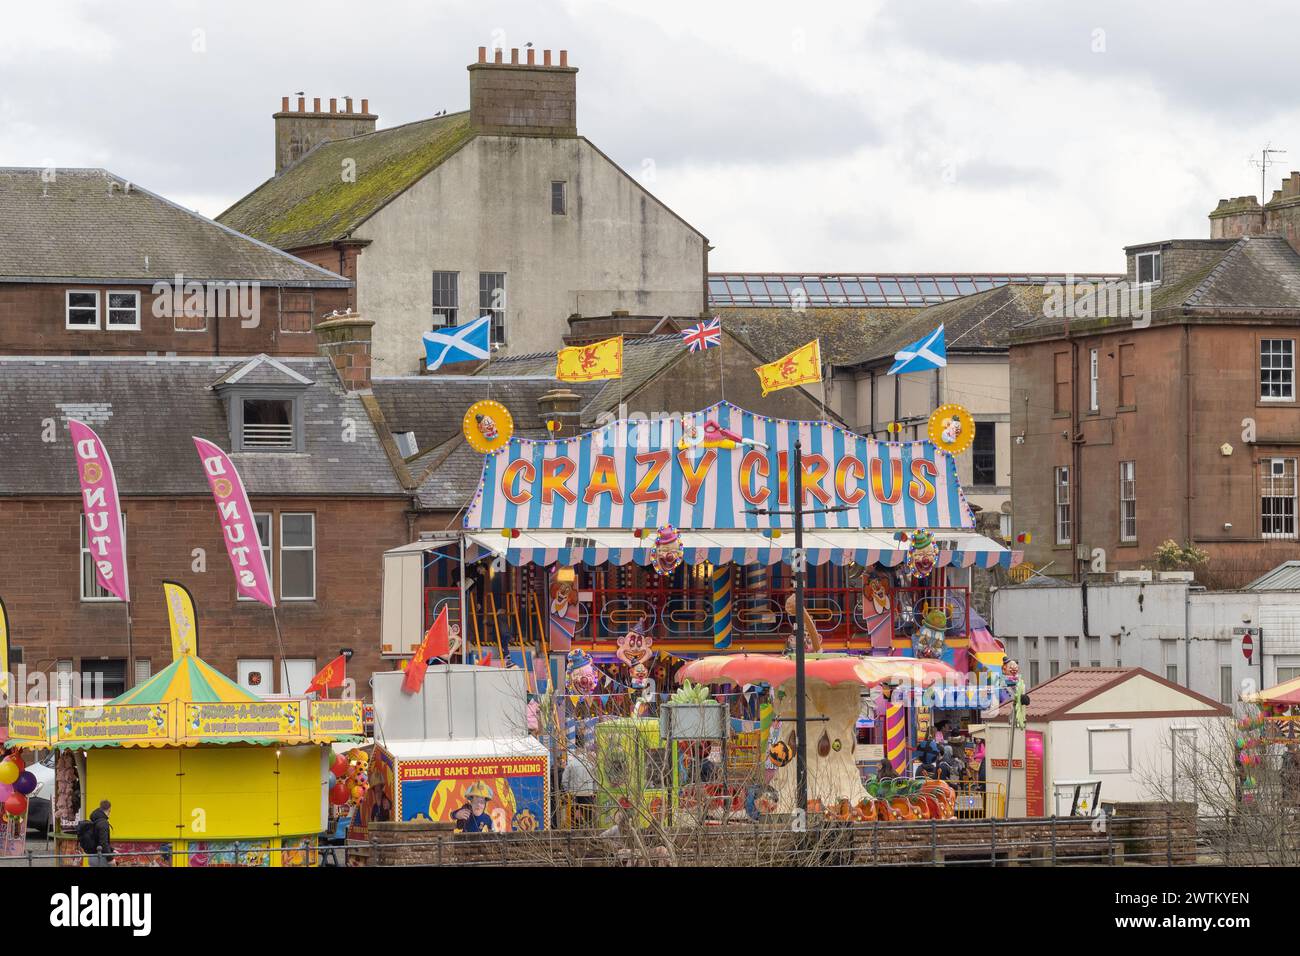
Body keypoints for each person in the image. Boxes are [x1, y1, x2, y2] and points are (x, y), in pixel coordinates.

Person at [562, 744, 598, 827]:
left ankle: (576, 831)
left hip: (575, 794)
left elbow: (564, 780)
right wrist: (594, 791)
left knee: (574, 815)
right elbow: (595, 780)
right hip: (588, 794)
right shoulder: (590, 764)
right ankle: (589, 831)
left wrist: (567, 791)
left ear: (576, 754)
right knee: (588, 815)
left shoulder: (571, 764)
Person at [87, 800, 113, 866]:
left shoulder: (94, 820)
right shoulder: (103, 823)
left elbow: (97, 839)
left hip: (91, 857)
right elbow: (103, 843)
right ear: (109, 809)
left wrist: (112, 850)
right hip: (100, 858)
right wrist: (110, 859)